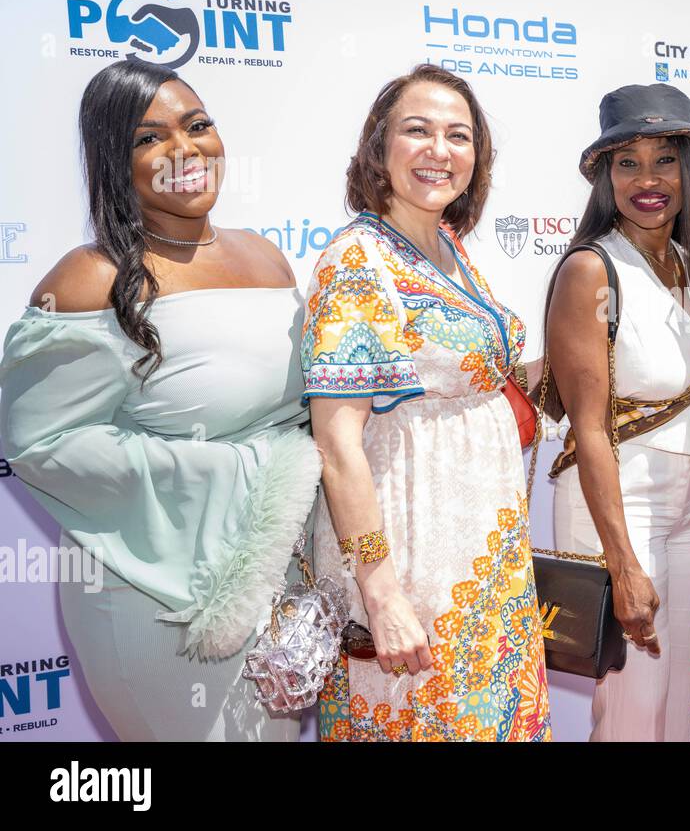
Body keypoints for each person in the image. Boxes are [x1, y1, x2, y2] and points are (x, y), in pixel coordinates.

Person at [0, 58, 320, 741]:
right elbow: (40, 443)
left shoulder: (267, 257)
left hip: (277, 575)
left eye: (197, 125)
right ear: (114, 160)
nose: (184, 150)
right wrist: (243, 475)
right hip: (158, 594)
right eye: (149, 139)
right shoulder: (91, 278)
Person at [303, 63, 550, 742]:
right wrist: (381, 596)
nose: (440, 151)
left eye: (459, 136)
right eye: (418, 131)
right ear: (379, 148)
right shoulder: (360, 260)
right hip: (413, 559)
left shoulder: (445, 247)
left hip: (482, 553)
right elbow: (337, 443)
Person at [544, 83, 690, 742]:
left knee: (686, 697)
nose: (647, 180)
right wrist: (621, 564)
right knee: (632, 705)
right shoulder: (592, 270)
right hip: (625, 499)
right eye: (627, 163)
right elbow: (588, 427)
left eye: (665, 160)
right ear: (605, 178)